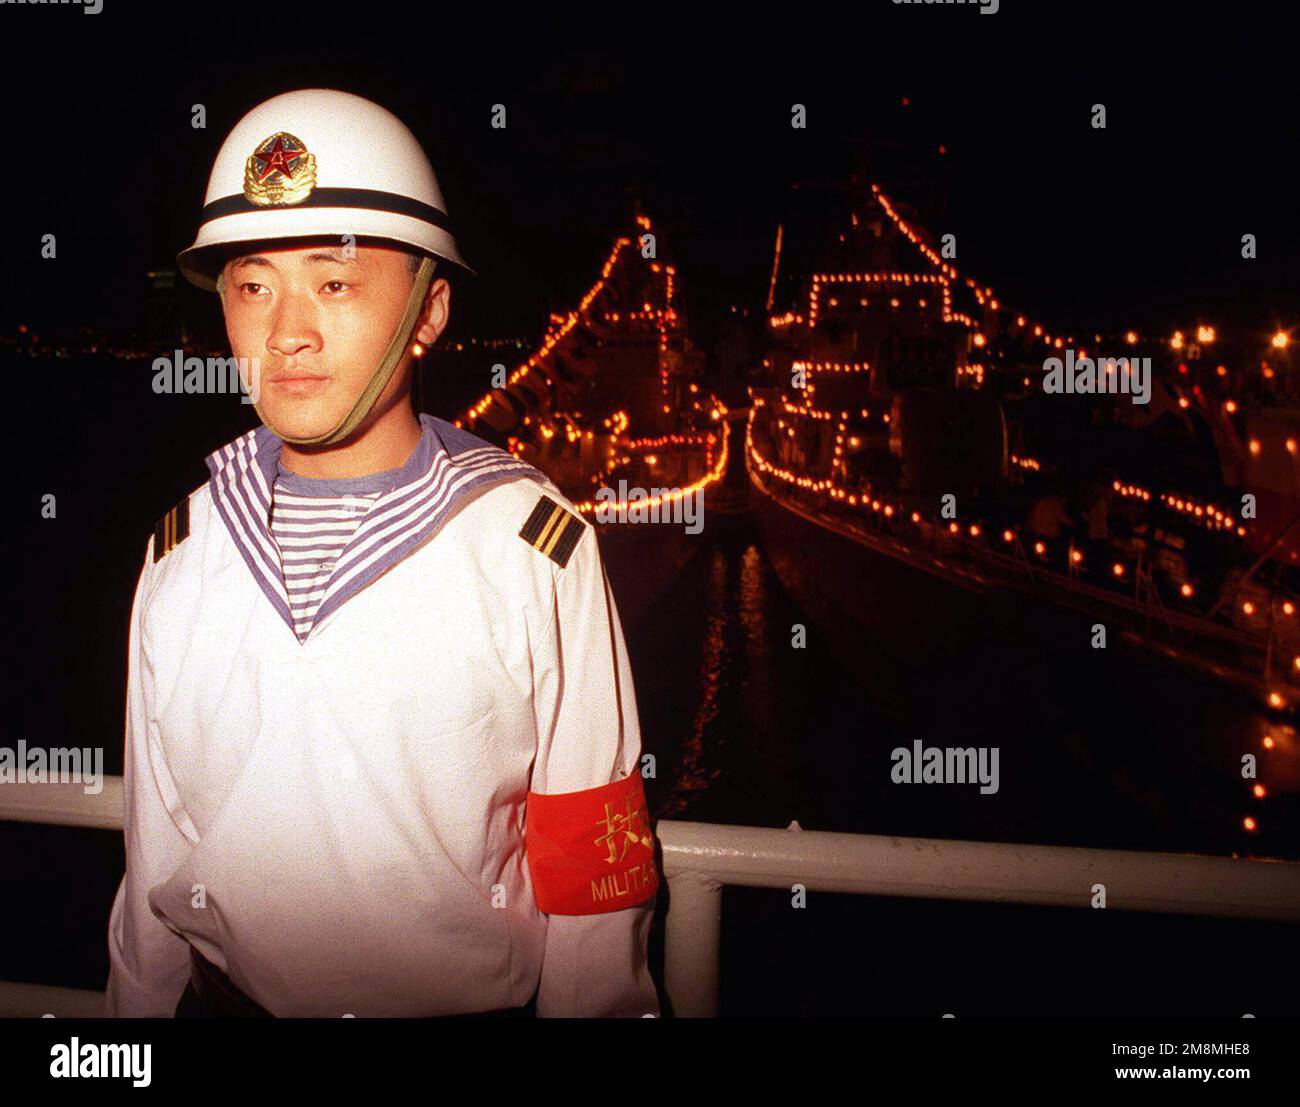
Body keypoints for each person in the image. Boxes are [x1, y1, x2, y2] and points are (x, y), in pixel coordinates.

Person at [105, 89, 660, 1018]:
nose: (287, 331)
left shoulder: (529, 548)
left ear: (429, 310)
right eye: (252, 286)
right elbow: (153, 861)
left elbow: (590, 871)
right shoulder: (182, 553)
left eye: (335, 282)